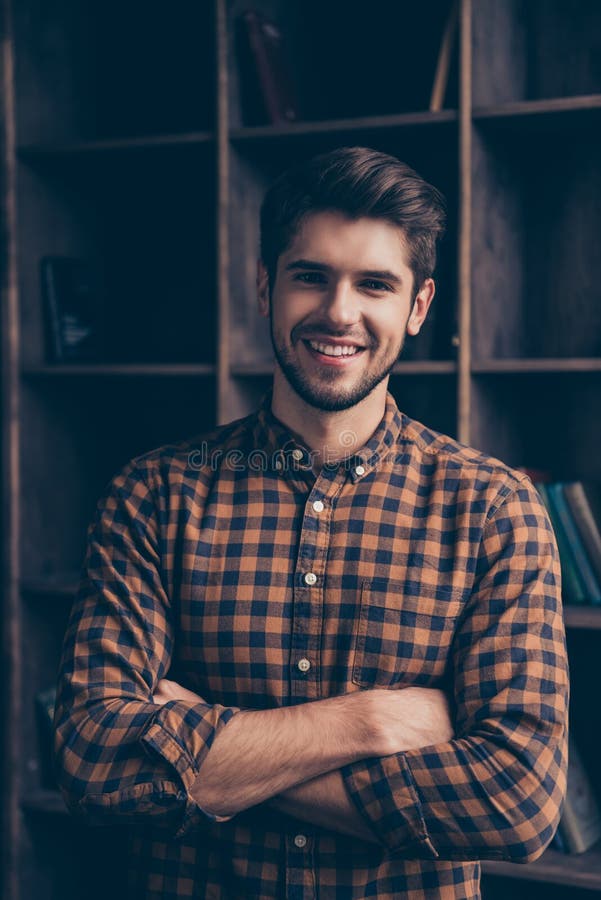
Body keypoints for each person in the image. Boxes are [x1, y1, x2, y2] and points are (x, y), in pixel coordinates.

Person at [54, 147, 568, 900]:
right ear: (265, 288)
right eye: (310, 276)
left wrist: (212, 748)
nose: (338, 312)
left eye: (374, 285)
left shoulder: (494, 509)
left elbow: (515, 804)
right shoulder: (153, 496)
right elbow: (91, 760)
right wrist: (366, 722)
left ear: (417, 307)